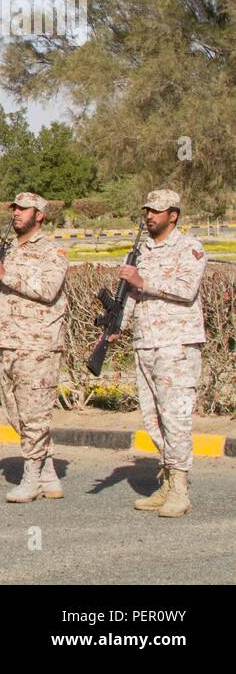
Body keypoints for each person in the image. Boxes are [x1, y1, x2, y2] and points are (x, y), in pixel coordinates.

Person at [110, 189, 206, 518]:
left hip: (176, 344)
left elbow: (186, 289)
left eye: (157, 211)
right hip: (145, 343)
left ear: (173, 215)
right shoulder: (139, 252)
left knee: (175, 418)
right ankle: (165, 482)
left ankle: (180, 488)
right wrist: (116, 327)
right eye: (147, 210)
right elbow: (131, 296)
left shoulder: (189, 247)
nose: (150, 216)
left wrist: (142, 279)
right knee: (153, 419)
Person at [0, 192, 69, 503]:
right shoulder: (8, 250)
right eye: (15, 209)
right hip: (8, 342)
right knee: (15, 412)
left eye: (24, 210)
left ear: (40, 215)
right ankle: (48, 474)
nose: (17, 214)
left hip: (38, 345)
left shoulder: (53, 250)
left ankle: (32, 477)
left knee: (35, 415)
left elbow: (48, 290)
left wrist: (5, 274)